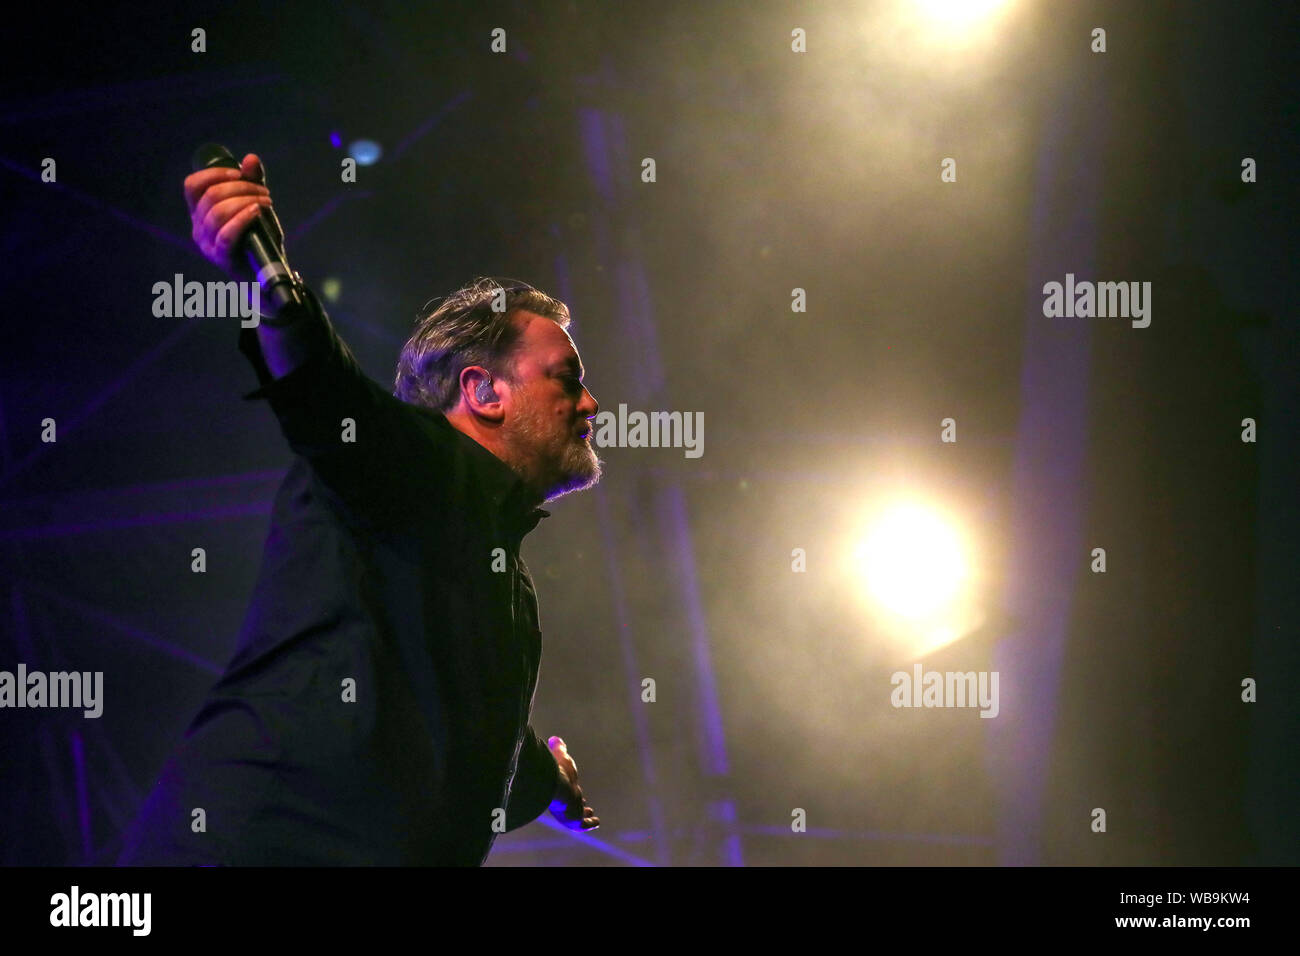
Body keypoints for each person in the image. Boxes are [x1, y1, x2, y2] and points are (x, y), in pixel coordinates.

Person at [117, 152, 601, 865]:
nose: (590, 404)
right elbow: (329, 393)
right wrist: (270, 276)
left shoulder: (505, 591)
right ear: (485, 393)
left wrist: (547, 780)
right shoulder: (409, 463)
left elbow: (480, 741)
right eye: (567, 380)